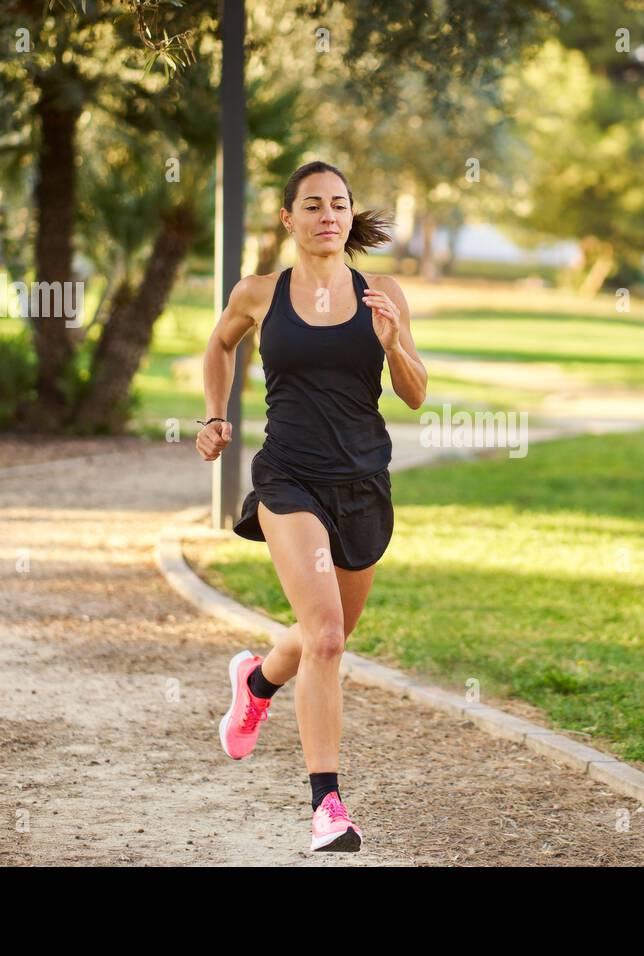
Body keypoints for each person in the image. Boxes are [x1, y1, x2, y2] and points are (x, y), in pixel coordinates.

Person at [196, 160, 427, 852]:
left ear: (351, 216)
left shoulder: (382, 293)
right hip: (288, 481)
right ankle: (327, 806)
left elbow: (415, 392)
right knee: (324, 635)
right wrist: (213, 415)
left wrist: (393, 345)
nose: (329, 215)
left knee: (327, 632)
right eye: (314, 205)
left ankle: (257, 680)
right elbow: (220, 343)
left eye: (339, 204)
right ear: (288, 219)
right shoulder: (260, 293)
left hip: (360, 485)